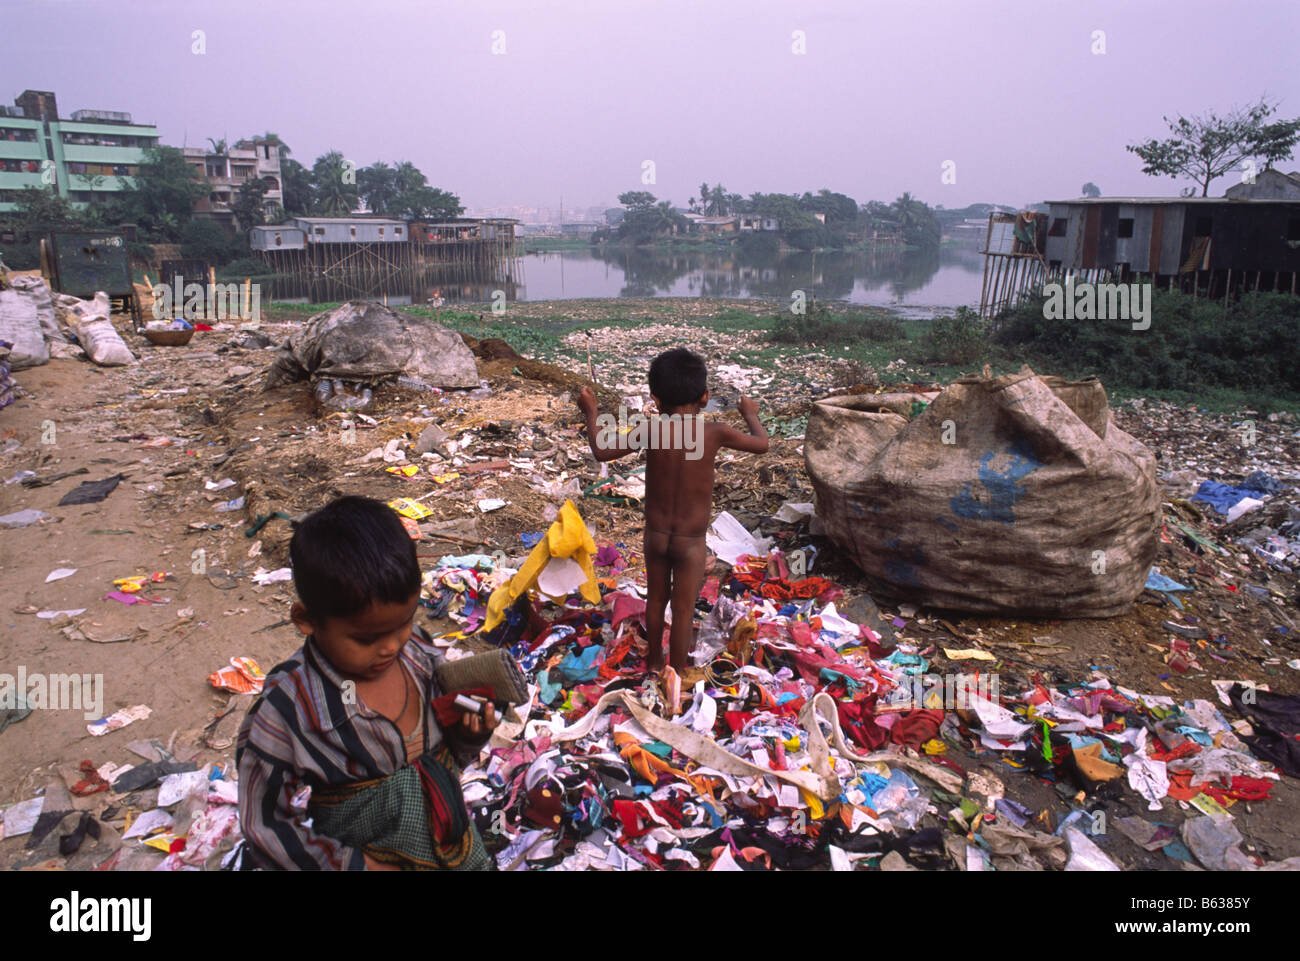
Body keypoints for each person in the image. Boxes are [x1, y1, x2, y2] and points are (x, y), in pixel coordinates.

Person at [235, 495, 498, 870]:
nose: (390, 647)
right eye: (365, 639)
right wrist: (353, 865)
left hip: (449, 842)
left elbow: (443, 763)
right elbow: (265, 824)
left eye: (403, 622)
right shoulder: (289, 709)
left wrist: (470, 736)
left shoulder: (420, 656)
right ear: (306, 620)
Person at [576, 347, 768, 679]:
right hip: (690, 543)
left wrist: (591, 410)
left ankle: (653, 664)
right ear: (705, 397)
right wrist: (749, 412)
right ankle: (675, 672)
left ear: (655, 399)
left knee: (655, 600)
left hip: (656, 537)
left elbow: (601, 449)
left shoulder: (651, 430)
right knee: (682, 610)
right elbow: (761, 443)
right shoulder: (715, 432)